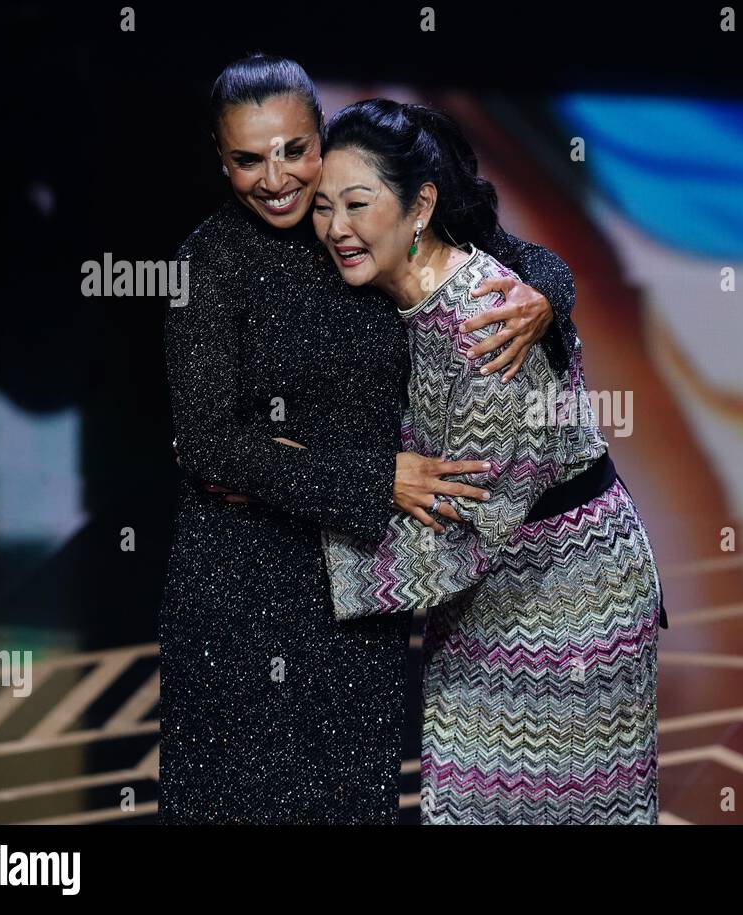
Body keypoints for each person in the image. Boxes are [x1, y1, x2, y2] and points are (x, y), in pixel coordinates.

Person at [159, 55, 577, 824]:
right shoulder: (207, 264)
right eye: (248, 159)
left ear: (322, 137)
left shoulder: (350, 221)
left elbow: (513, 254)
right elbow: (208, 441)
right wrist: (376, 475)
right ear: (221, 161)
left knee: (355, 802)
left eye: (294, 149)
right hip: (241, 588)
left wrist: (546, 297)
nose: (277, 178)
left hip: (362, 582)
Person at [311, 99, 666, 825]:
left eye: (356, 203)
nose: (335, 227)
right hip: (479, 599)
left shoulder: (486, 319)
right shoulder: (383, 293)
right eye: (322, 207)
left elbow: (470, 517)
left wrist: (305, 563)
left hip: (571, 605)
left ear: (420, 206)